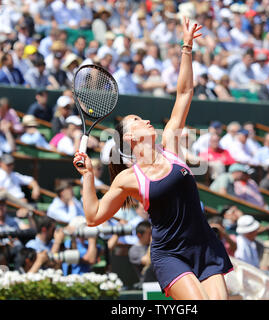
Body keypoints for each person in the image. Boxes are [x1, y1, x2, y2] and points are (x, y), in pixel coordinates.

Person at [73, 18, 233, 300]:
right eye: (137, 120)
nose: (146, 120)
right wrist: (87, 176)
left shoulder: (171, 144)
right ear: (129, 139)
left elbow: (184, 92)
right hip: (171, 254)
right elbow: (93, 216)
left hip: (204, 244)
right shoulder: (129, 178)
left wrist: (187, 46)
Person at [128, 220, 155, 288]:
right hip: (146, 284)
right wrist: (153, 241)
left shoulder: (152, 246)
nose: (151, 236)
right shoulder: (134, 250)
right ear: (139, 235)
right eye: (149, 233)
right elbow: (147, 261)